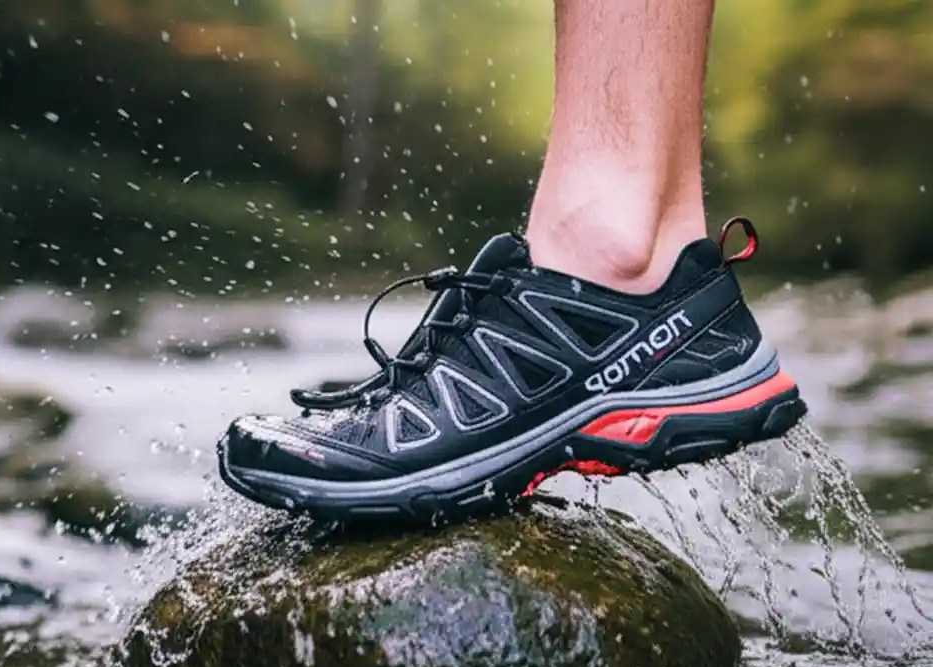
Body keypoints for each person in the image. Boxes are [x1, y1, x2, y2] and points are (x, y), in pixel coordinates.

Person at [218, 0, 806, 519]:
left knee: (619, 237)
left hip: (634, 302)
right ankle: (654, 248)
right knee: (650, 236)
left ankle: (611, 248)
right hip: (671, 312)